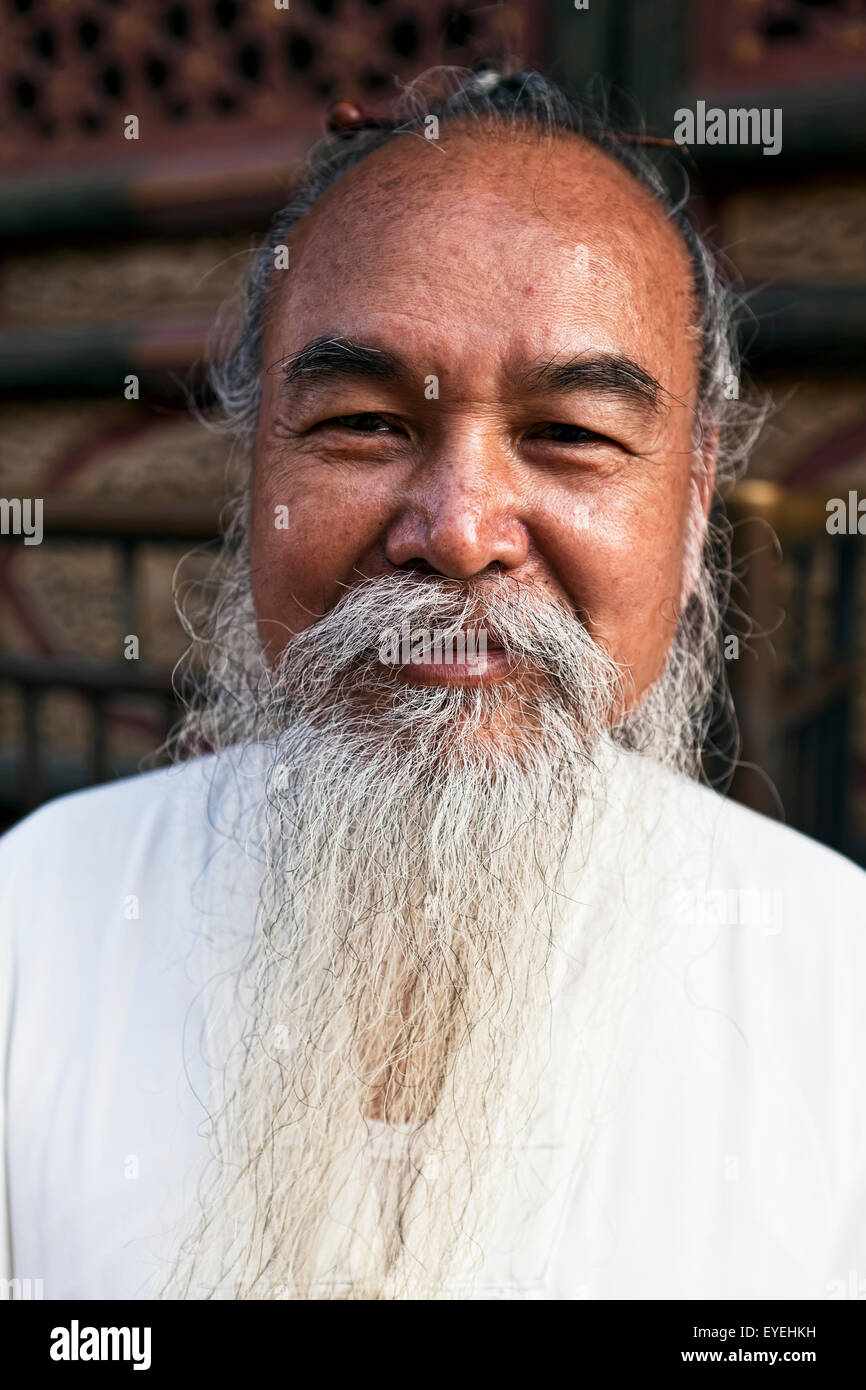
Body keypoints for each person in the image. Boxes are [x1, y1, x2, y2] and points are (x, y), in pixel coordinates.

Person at [2, 67, 864, 1302]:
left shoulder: (836, 987)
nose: (459, 532)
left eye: (568, 435)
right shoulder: (29, 921)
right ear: (254, 471)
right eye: (361, 423)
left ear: (688, 496)